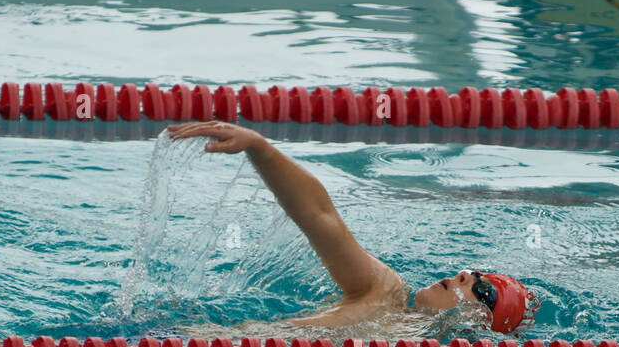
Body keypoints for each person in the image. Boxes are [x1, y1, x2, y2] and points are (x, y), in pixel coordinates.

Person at [166, 121, 537, 332]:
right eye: (471, 273)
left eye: (482, 290)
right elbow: (320, 217)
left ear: (481, 322)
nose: (463, 276)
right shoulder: (383, 290)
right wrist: (260, 148)